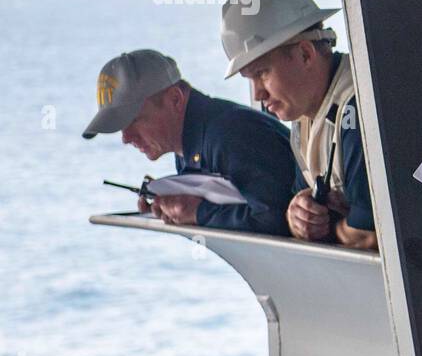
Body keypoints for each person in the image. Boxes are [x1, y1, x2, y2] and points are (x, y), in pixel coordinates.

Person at [220, 0, 377, 251]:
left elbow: (370, 235)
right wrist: (297, 217)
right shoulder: (303, 117)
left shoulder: (359, 108)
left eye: (262, 73)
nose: (258, 94)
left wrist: (327, 230)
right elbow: (302, 201)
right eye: (251, 79)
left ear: (305, 54)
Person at [83, 48, 297, 235]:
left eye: (133, 120)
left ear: (175, 99)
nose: (126, 138)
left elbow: (278, 221)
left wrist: (198, 213)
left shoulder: (229, 135)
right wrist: (172, 204)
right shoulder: (186, 145)